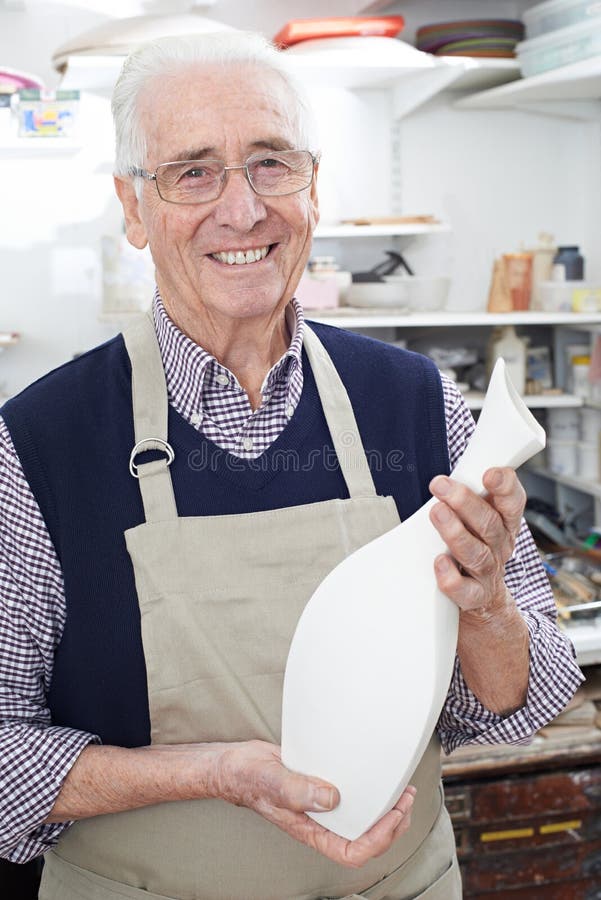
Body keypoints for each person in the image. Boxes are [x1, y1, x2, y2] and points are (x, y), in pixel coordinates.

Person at [0, 31, 583, 900]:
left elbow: (518, 701)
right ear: (132, 208)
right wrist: (213, 772)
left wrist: (488, 606)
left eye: (272, 163)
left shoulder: (418, 404)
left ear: (313, 185)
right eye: (192, 172)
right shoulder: (38, 443)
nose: (243, 210)